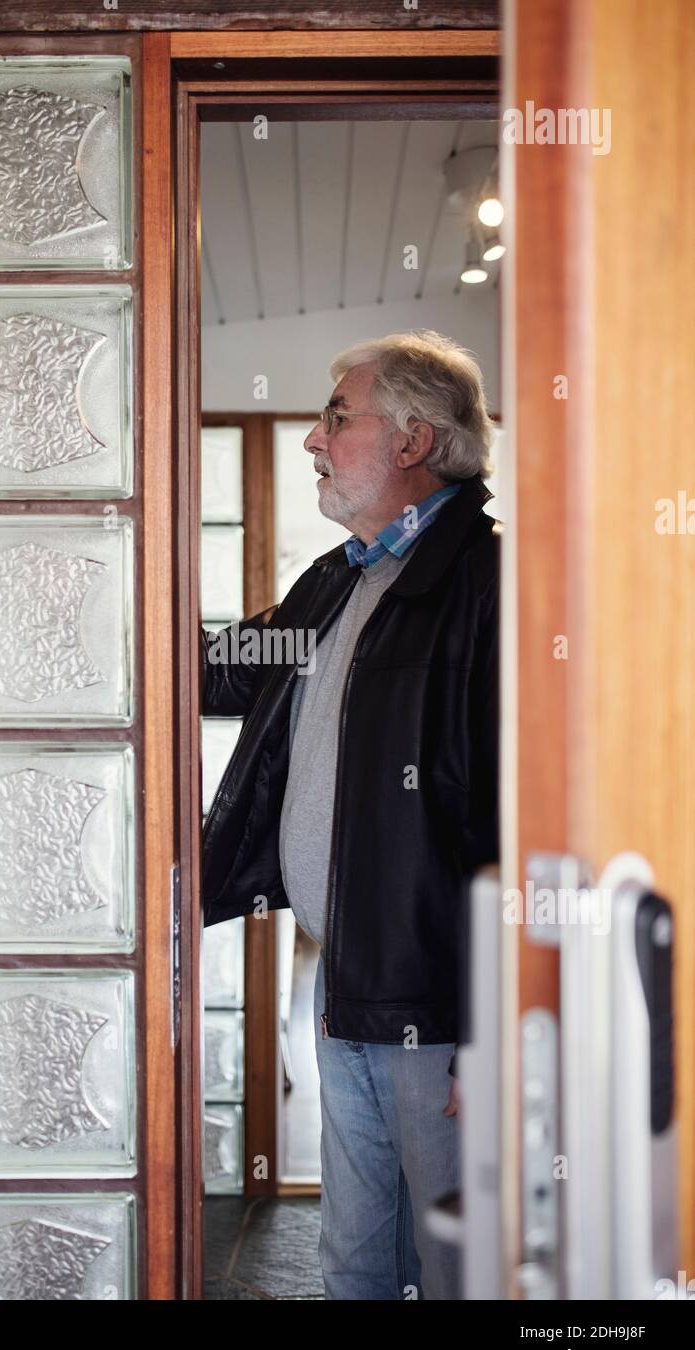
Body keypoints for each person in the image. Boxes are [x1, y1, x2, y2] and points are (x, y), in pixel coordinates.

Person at [201, 331, 500, 1300]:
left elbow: (518, 824)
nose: (311, 440)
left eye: (337, 416)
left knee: (463, 1272)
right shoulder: (337, 579)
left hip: (444, 1017)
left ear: (413, 439)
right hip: (344, 986)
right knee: (357, 1267)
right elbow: (223, 668)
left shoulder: (488, 587)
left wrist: (492, 1032)